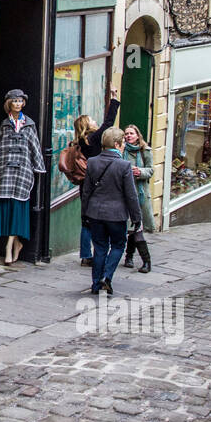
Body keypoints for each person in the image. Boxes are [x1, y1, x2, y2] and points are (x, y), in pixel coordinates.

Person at [82, 126, 141, 296]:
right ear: (116, 144)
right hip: (116, 215)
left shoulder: (92, 162)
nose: (124, 145)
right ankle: (106, 277)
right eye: (123, 143)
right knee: (118, 245)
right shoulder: (124, 165)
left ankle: (95, 284)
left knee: (99, 248)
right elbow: (131, 195)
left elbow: (86, 192)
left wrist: (84, 214)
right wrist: (136, 217)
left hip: (95, 212)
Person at [0, 89, 46, 265]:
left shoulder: (29, 124)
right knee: (7, 208)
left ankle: (9, 247)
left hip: (22, 172)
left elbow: (34, 145)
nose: (17, 104)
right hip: (6, 173)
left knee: (17, 210)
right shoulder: (5, 124)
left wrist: (38, 166)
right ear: (9, 103)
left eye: (20, 101)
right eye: (14, 101)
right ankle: (15, 244)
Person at [70, 90, 120, 267]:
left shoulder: (80, 142)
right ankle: (99, 251)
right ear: (86, 124)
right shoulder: (94, 138)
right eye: (91, 119)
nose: (94, 121)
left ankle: (85, 254)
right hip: (98, 183)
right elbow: (108, 123)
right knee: (98, 220)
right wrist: (114, 100)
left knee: (86, 221)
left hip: (85, 184)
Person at [121, 124, 154, 273]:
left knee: (137, 229)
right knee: (131, 229)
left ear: (137, 135)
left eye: (131, 134)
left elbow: (151, 169)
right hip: (124, 196)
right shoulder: (122, 150)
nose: (128, 136)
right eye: (126, 134)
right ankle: (129, 257)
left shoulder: (144, 151)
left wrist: (139, 171)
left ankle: (146, 262)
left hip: (139, 196)